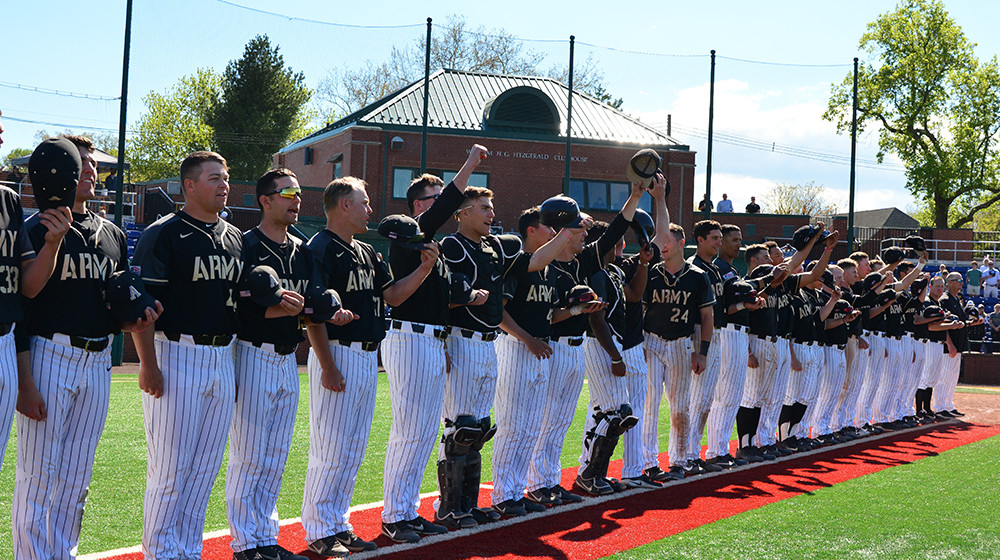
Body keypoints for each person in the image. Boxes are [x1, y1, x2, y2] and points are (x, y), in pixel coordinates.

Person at [14, 135, 155, 560]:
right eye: (84, 164)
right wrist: (24, 382)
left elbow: (114, 303)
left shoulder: (111, 232)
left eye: (96, 166)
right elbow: (25, 299)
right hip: (48, 355)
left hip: (98, 362)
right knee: (39, 477)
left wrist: (137, 315)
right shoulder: (36, 228)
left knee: (77, 479)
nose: (93, 171)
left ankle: (62, 554)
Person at [302, 176, 438, 550]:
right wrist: (327, 366)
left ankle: (337, 523)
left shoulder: (365, 251)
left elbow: (390, 297)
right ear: (344, 205)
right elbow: (313, 314)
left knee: (352, 448)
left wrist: (424, 269)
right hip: (338, 353)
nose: (370, 210)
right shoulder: (320, 248)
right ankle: (318, 530)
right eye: (364, 203)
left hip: (366, 354)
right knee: (330, 447)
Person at [130, 151, 244, 559]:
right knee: (171, 469)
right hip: (177, 353)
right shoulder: (163, 233)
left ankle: (187, 551)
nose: (223, 184)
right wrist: (149, 364)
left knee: (203, 470)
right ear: (189, 186)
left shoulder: (233, 236)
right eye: (214, 178)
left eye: (226, 177)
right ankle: (161, 552)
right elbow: (142, 306)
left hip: (222, 357)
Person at [438, 185, 575, 521]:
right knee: (463, 428)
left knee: (482, 428)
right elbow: (442, 298)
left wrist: (566, 232)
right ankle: (451, 507)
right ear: (463, 212)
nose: (491, 214)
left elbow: (536, 260)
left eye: (491, 207)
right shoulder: (450, 246)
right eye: (484, 208)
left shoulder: (495, 247)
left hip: (486, 343)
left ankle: (490, 498)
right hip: (466, 339)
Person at [379, 146, 490, 538]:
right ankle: (394, 516)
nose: (444, 201)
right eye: (435, 197)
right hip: (407, 338)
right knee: (410, 429)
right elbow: (447, 206)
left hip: (429, 341)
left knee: (424, 431)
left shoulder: (433, 248)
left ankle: (405, 511)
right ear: (417, 206)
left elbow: (440, 302)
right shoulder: (410, 236)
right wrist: (471, 162)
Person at [227, 168, 338, 560]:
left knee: (275, 454)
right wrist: (282, 309)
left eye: (298, 193)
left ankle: (264, 537)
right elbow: (236, 306)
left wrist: (326, 311)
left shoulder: (303, 250)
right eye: (287, 192)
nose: (296, 199)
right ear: (265, 200)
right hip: (251, 353)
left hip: (288, 357)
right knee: (250, 453)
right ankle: (245, 543)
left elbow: (311, 308)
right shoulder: (243, 245)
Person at [490, 207, 589, 512]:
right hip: (516, 347)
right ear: (532, 231)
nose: (554, 235)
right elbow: (499, 313)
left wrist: (576, 311)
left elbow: (548, 315)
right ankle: (504, 496)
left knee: (532, 426)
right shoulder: (517, 265)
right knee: (512, 425)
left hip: (538, 350)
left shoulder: (547, 271)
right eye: (549, 229)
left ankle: (520, 490)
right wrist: (527, 339)